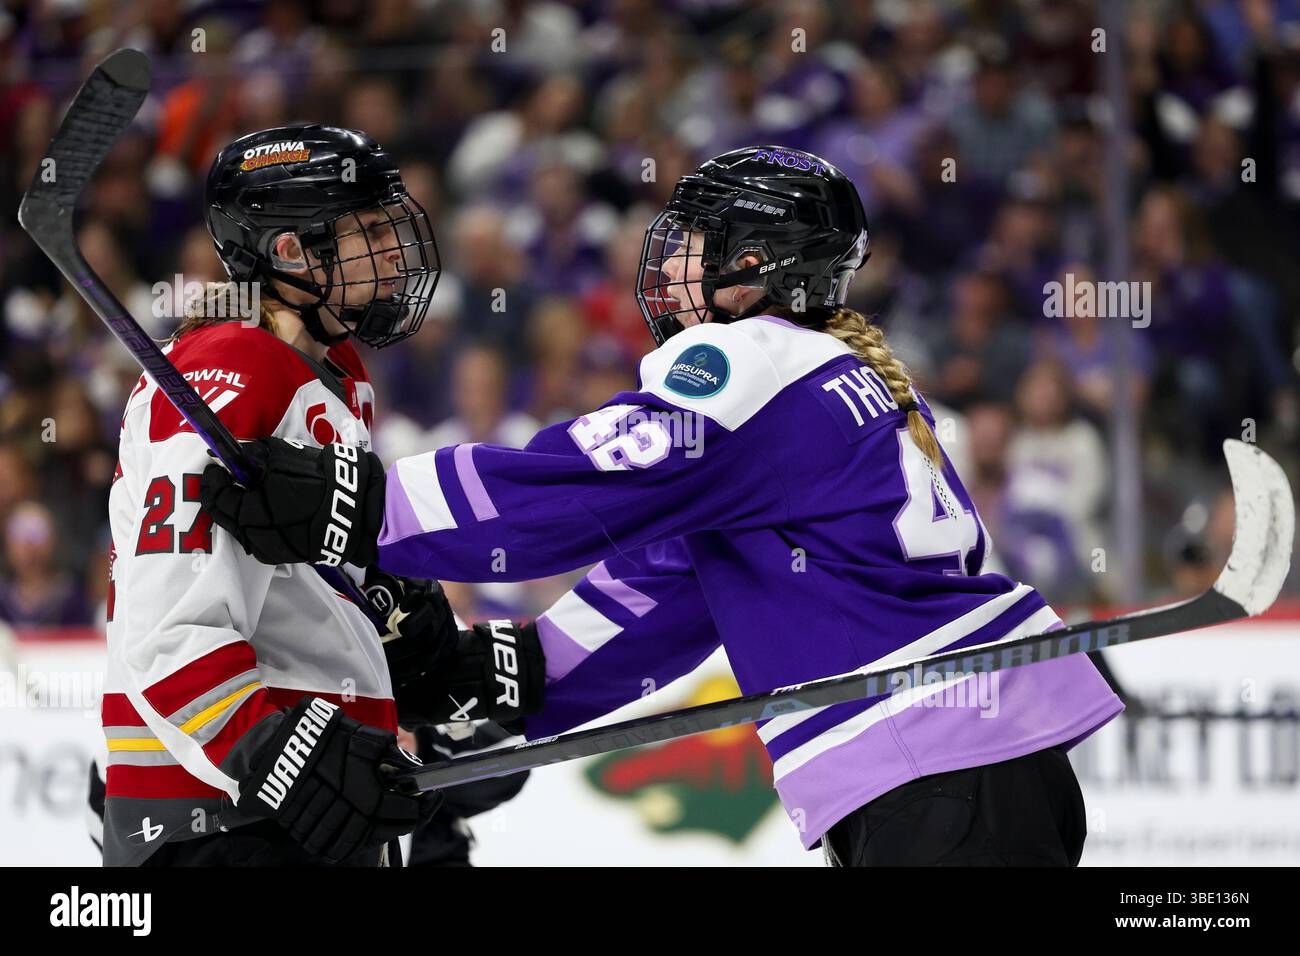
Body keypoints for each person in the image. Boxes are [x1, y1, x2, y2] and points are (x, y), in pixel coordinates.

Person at [201, 145, 1125, 866]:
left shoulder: (750, 358)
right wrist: (517, 676)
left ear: (753, 267)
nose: (670, 264)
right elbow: (670, 591)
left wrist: (357, 505)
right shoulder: (826, 380)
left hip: (936, 770)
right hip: (974, 765)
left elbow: (580, 486)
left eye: (695, 245)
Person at [101, 123, 455, 866]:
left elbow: (293, 584)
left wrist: (387, 618)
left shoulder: (334, 371)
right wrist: (269, 754)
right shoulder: (227, 366)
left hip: (312, 803)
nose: (394, 249)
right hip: (221, 816)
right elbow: (169, 623)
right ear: (291, 252)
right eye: (368, 229)